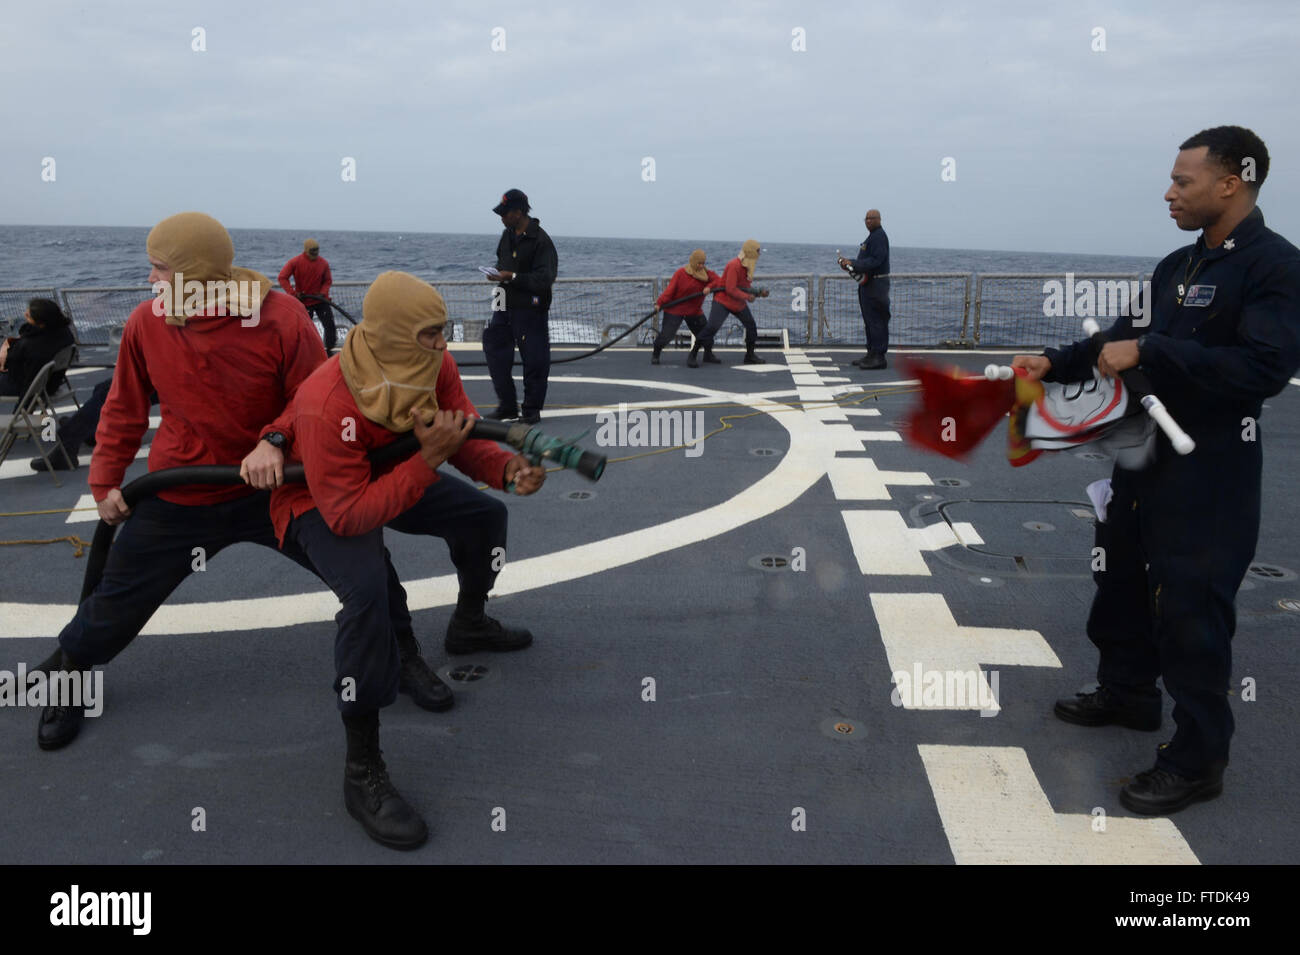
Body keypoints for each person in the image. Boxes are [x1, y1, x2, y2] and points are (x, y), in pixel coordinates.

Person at [32, 213, 452, 756]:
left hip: (277, 489)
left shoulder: (282, 317)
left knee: (368, 569)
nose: (151, 279)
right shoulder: (146, 322)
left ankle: (403, 653)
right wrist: (105, 480)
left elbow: (315, 397)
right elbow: (123, 407)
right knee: (115, 599)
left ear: (195, 271)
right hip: (182, 492)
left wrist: (275, 442)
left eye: (159, 268)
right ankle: (71, 677)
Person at [1013, 126, 1300, 815]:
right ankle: (1129, 691)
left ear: (1231, 183)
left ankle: (1200, 757)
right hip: (1141, 453)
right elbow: (1116, 342)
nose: (1169, 192)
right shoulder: (1177, 265)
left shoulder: (1274, 267)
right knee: (1117, 581)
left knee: (1192, 610)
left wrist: (1155, 350)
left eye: (1183, 181)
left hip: (1211, 467)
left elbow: (1264, 369)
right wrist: (1055, 361)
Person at [271, 270, 546, 849]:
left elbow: (462, 431)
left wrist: (503, 469)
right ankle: (362, 770)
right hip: (320, 497)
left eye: (443, 331)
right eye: (429, 334)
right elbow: (346, 516)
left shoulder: (437, 367)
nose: (442, 345)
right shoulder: (327, 401)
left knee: (484, 518)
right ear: (393, 333)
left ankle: (468, 622)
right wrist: (427, 461)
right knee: (368, 591)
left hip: (394, 472)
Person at [482, 189, 558, 424]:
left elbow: (545, 279)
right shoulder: (506, 236)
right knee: (494, 349)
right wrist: (496, 274)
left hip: (530, 307)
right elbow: (502, 261)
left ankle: (531, 410)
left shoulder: (541, 241)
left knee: (534, 358)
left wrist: (513, 276)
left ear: (518, 212)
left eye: (505, 213)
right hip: (503, 303)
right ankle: (507, 406)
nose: (502, 218)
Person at [693, 239, 770, 366]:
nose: (759, 254)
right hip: (723, 301)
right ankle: (693, 354)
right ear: (750, 252)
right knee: (711, 328)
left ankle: (750, 355)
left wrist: (758, 293)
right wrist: (747, 297)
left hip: (737, 302)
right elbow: (730, 289)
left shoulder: (747, 267)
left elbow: (744, 287)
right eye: (757, 251)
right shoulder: (734, 265)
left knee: (751, 326)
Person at [838, 209, 890, 369]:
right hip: (868, 285)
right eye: (866, 219)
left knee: (877, 321)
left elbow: (875, 261)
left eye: (871, 218)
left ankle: (879, 356)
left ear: (879, 219)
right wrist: (850, 265)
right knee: (869, 321)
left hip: (876, 285)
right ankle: (871, 353)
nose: (868, 221)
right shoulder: (872, 237)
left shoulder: (879, 237)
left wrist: (853, 263)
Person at [651, 250, 719, 367]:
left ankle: (708, 355)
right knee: (667, 336)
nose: (701, 266)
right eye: (699, 263)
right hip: (675, 309)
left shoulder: (706, 274)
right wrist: (659, 303)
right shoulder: (681, 273)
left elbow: (719, 281)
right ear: (693, 262)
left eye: (703, 263)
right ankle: (656, 353)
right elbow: (669, 292)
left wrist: (709, 286)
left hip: (694, 310)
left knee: (706, 334)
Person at [0, 298, 75, 397]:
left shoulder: (31, 344)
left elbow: (10, 365)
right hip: (51, 383)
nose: (25, 315)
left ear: (40, 322)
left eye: (28, 315)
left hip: (27, 387)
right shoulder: (64, 333)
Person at [278, 238, 336, 352]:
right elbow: (282, 277)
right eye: (312, 251)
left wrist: (323, 292)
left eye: (317, 250)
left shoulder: (323, 263)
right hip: (303, 302)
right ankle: (303, 352)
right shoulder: (295, 262)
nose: (315, 253)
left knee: (329, 325)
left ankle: (330, 350)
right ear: (305, 250)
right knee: (303, 329)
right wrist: (293, 293)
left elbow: (328, 280)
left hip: (320, 300)